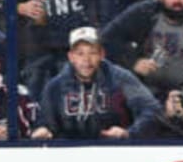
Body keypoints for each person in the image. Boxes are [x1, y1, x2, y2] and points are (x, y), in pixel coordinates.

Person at [31, 26, 161, 140]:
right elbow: (46, 123)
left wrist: (128, 133)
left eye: (92, 53)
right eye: (80, 54)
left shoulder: (120, 78)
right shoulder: (55, 86)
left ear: (102, 54)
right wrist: (43, 130)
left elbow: (151, 109)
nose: (86, 60)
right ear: (71, 57)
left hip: (114, 151)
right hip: (70, 155)